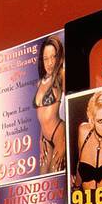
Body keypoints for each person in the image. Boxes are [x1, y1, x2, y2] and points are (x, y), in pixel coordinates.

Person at [33, 35, 65, 174]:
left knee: (55, 176)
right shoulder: (40, 82)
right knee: (44, 177)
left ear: (59, 57)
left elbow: (70, 107)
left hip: (59, 134)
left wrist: (64, 141)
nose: (50, 62)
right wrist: (41, 139)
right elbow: (42, 116)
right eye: (46, 58)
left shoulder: (62, 75)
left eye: (53, 57)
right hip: (45, 138)